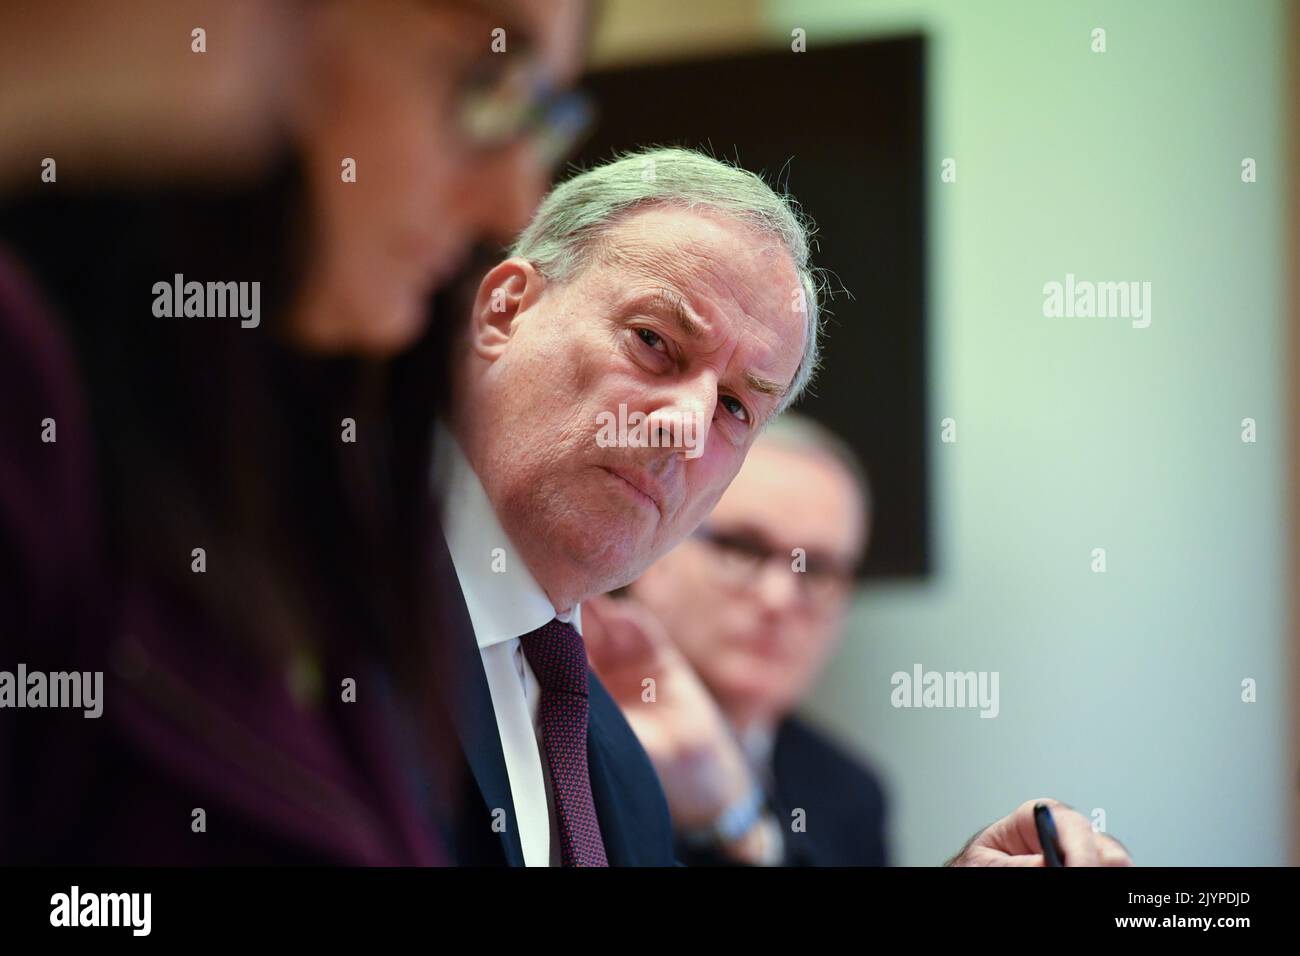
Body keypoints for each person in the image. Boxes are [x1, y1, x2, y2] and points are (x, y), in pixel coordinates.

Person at [0, 0, 586, 864]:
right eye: (486, 86)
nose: (514, 204)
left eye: (542, 113)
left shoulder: (313, 466)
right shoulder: (36, 389)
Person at [436, 145, 1131, 867]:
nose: (685, 428)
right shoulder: (333, 593)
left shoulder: (620, 769)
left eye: (735, 407)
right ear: (506, 309)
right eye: (653, 343)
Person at [584, 413, 889, 865]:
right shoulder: (566, 735)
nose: (778, 598)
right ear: (655, 549)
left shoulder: (849, 795)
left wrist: (736, 821)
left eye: (818, 569)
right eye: (742, 549)